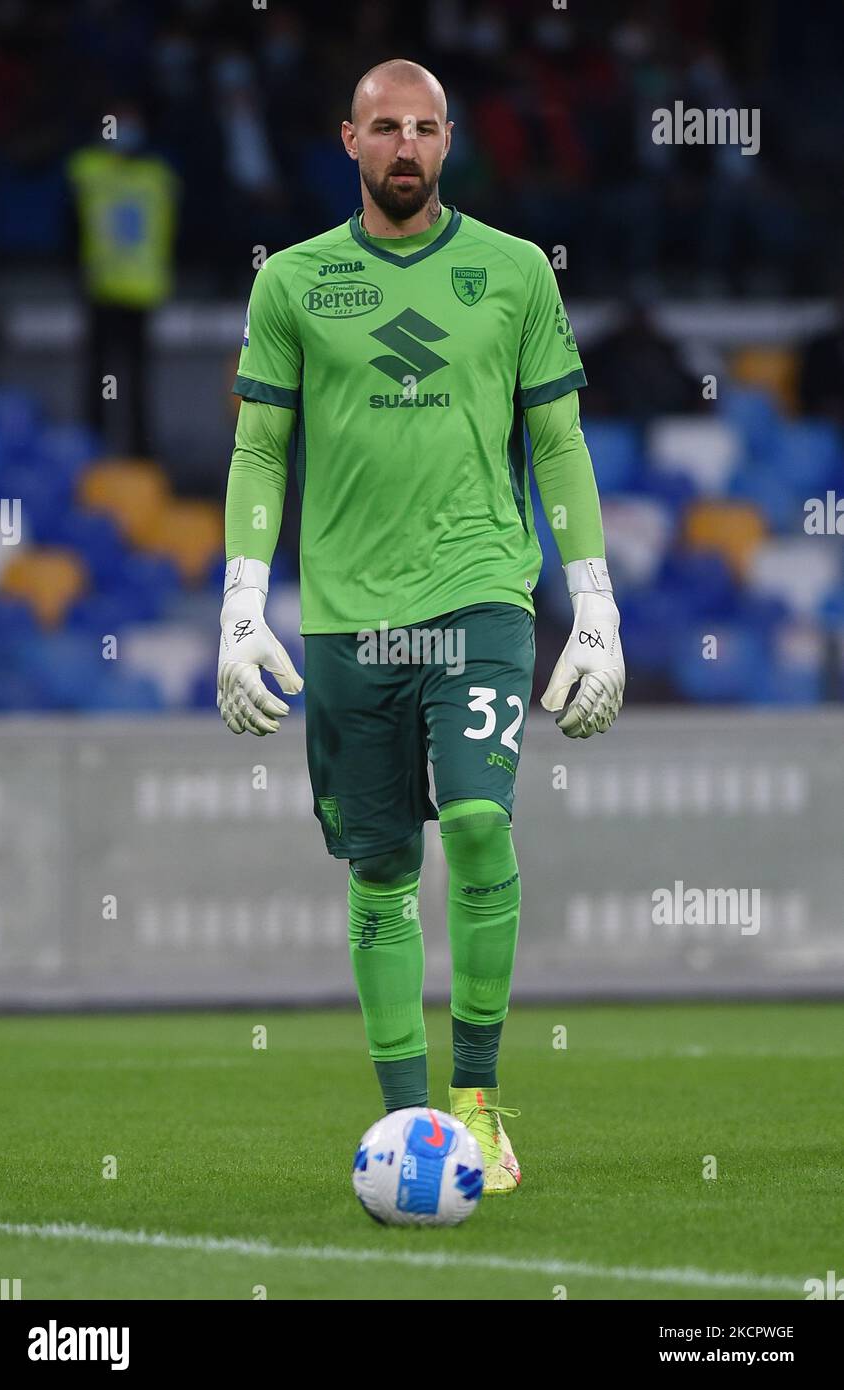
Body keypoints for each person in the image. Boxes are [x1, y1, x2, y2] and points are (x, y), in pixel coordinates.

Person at [217, 59, 624, 1194]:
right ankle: (411, 1133)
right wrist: (241, 599)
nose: (406, 146)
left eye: (425, 128)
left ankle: (478, 1105)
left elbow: (557, 442)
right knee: (381, 867)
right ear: (348, 139)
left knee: (483, 824)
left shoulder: (510, 273)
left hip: (480, 596)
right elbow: (259, 448)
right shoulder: (292, 283)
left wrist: (592, 602)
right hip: (348, 613)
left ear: (450, 141)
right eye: (384, 127)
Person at [67, 104, 179, 454]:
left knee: (136, 379)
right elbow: (69, 224)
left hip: (141, 292)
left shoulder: (157, 175)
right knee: (100, 376)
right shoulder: (88, 170)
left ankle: (137, 454)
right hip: (100, 289)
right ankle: (92, 448)